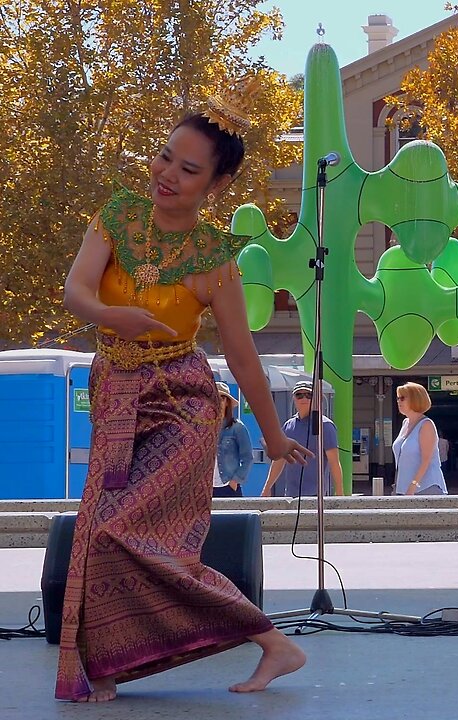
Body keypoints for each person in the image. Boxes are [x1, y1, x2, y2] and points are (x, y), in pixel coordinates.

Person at [58, 96, 312, 701]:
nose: (167, 174)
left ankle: (267, 640)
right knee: (98, 533)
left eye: (188, 169)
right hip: (117, 394)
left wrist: (274, 434)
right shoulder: (117, 216)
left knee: (130, 533)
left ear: (218, 184)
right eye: (165, 158)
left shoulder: (217, 260)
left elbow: (244, 357)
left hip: (184, 404)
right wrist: (112, 315)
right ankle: (111, 664)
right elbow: (76, 291)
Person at [260, 381, 346, 498]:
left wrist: (340, 494)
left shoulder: (325, 426)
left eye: (308, 395)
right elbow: (279, 460)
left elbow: (334, 462)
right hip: (291, 495)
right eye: (299, 395)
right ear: (294, 399)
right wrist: (267, 488)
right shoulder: (288, 426)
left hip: (316, 496)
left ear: (316, 399)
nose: (303, 398)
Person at [392, 382, 446, 495]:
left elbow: (426, 460)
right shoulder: (405, 423)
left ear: (415, 399)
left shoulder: (426, 425)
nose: (398, 401)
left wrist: (413, 485)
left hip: (426, 488)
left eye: (402, 398)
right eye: (397, 398)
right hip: (403, 489)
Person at [213, 382, 252, 498]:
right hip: (206, 487)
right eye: (214, 397)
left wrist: (235, 481)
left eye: (221, 398)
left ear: (227, 402)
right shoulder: (203, 428)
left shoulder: (237, 427)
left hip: (228, 486)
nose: (217, 401)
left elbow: (247, 457)